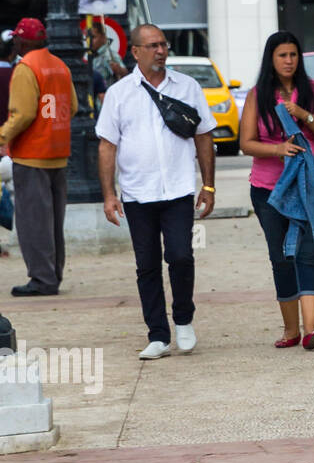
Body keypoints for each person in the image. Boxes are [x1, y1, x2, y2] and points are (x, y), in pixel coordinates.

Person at [96, 25, 216, 357]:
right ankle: (158, 335)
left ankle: (183, 320)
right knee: (146, 265)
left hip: (178, 190)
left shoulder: (188, 87)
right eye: (152, 46)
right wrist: (109, 195)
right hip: (137, 195)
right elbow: (107, 146)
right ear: (135, 52)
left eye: (163, 44)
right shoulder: (120, 93)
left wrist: (208, 185)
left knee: (180, 256)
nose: (160, 50)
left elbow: (204, 136)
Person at [239, 32, 314, 350]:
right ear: (271, 58)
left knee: (310, 254)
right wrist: (279, 149)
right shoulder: (258, 95)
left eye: (294, 55)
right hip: (269, 191)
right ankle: (291, 330)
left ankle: (311, 330)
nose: (288, 61)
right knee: (281, 257)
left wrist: (303, 114)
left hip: (310, 184)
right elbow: (246, 143)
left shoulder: (311, 90)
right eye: (282, 55)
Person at [0, 18, 78, 297]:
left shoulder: (26, 67)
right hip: (58, 153)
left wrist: (1, 137)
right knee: (54, 222)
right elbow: (74, 106)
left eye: (18, 39)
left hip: (32, 155)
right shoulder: (60, 65)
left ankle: (42, 280)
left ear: (23, 41)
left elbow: (23, 114)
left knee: (33, 222)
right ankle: (53, 274)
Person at [89, 21, 127, 87]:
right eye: (88, 37)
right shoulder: (94, 55)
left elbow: (125, 73)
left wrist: (119, 69)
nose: (90, 41)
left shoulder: (109, 55)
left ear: (103, 37)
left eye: (93, 37)